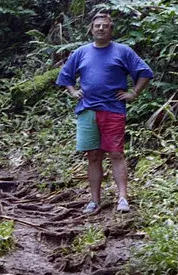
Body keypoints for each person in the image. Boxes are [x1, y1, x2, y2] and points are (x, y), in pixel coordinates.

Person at [56, 11, 153, 214]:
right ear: (91, 29)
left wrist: (134, 93)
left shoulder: (123, 51)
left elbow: (144, 72)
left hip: (113, 109)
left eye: (105, 26)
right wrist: (73, 91)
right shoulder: (81, 52)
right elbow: (65, 75)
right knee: (93, 156)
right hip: (87, 110)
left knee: (116, 154)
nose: (101, 29)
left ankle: (123, 198)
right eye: (97, 25)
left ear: (111, 30)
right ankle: (94, 200)